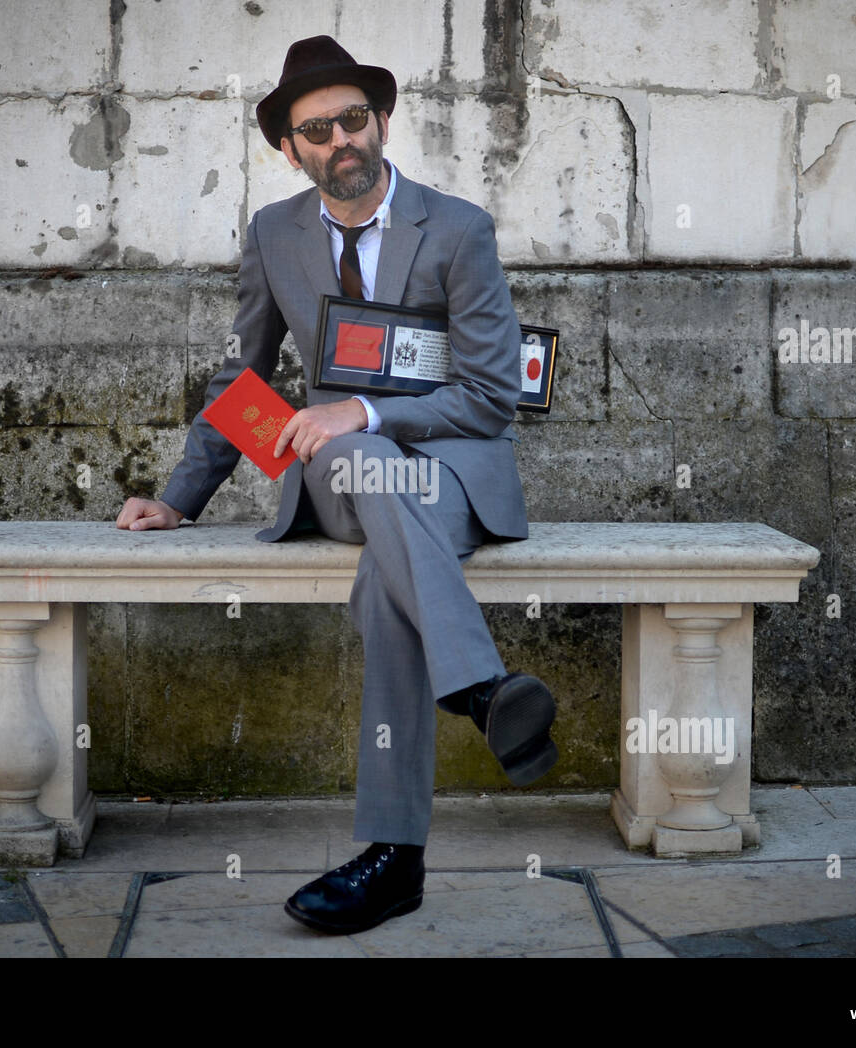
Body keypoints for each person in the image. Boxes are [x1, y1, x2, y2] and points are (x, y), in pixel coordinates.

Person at [116, 35, 557, 934]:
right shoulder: (274, 234)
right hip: (339, 479)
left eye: (354, 119)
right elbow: (244, 384)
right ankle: (482, 689)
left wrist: (366, 412)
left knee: (386, 572)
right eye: (317, 130)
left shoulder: (459, 229)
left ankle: (395, 859)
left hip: (451, 479)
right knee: (360, 465)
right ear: (290, 148)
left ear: (382, 122)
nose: (340, 140)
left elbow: (490, 395)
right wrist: (179, 497)